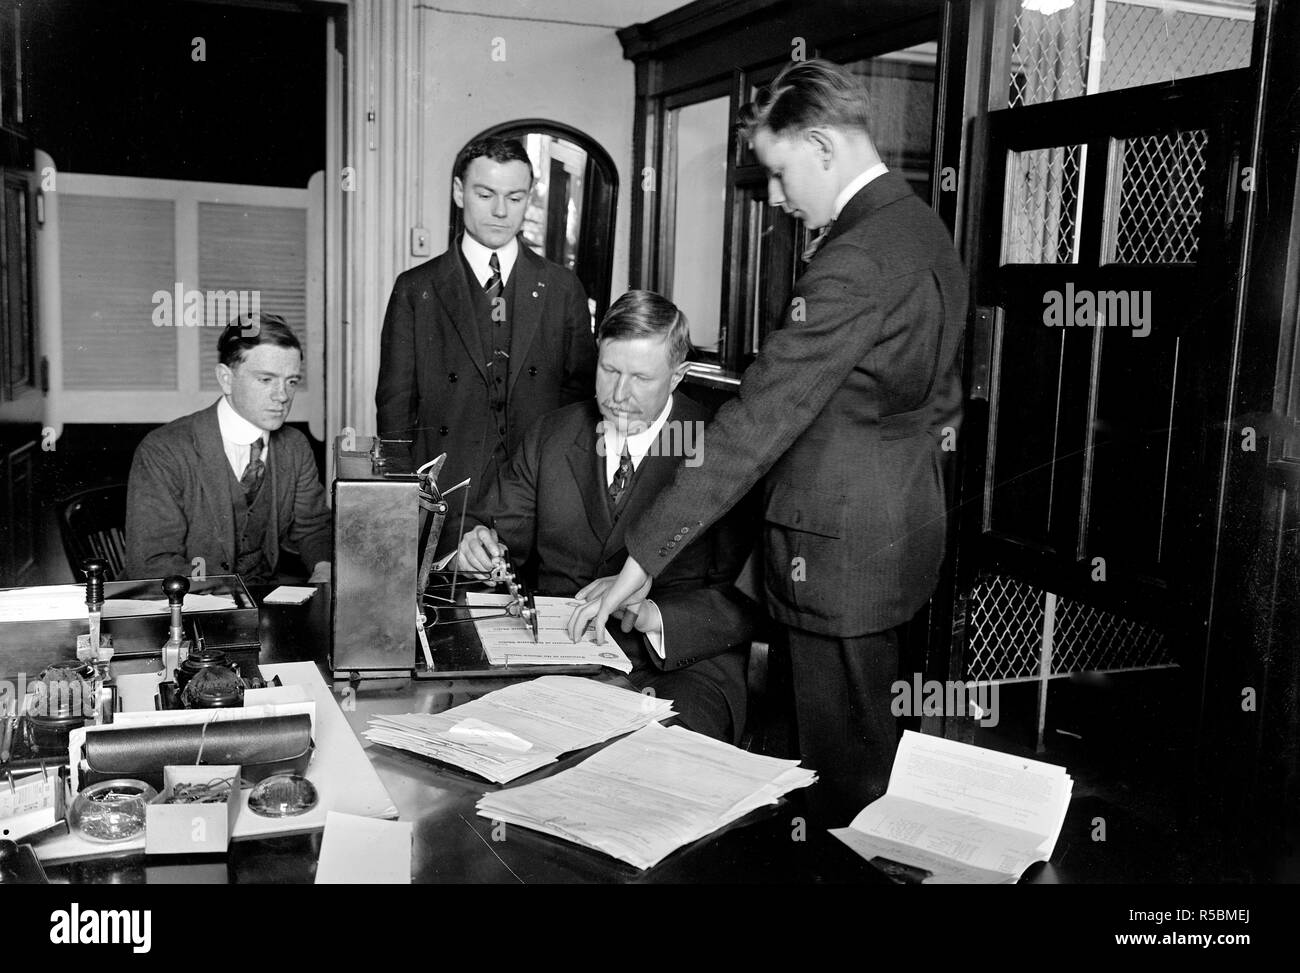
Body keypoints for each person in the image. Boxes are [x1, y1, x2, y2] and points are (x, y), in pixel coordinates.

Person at [567, 59, 968, 820]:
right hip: (893, 538)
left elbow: (753, 424)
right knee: (856, 767)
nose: (779, 200)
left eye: (780, 174)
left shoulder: (852, 260)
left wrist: (640, 558)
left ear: (822, 145)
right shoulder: (921, 230)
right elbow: (938, 405)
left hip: (837, 558)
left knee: (835, 791)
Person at [455, 290, 757, 743]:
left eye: (640, 378)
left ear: (678, 377)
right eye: (610, 371)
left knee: (651, 768)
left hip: (678, 668)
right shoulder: (551, 436)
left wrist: (653, 613)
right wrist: (470, 547)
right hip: (560, 658)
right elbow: (488, 531)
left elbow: (747, 596)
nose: (619, 396)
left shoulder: (718, 448)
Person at [376, 136, 597, 520]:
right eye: (485, 195)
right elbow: (394, 412)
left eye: (515, 197)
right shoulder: (416, 288)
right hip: (446, 495)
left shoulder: (562, 287)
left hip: (537, 496)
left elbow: (579, 404)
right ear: (460, 192)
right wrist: (403, 502)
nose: (500, 211)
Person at [124, 313, 332, 584]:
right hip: (184, 608)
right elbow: (152, 564)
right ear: (226, 379)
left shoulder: (294, 446)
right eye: (266, 380)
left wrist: (324, 566)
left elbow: (313, 528)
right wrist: (233, 598)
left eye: (291, 381)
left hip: (262, 602)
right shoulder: (164, 450)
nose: (282, 396)